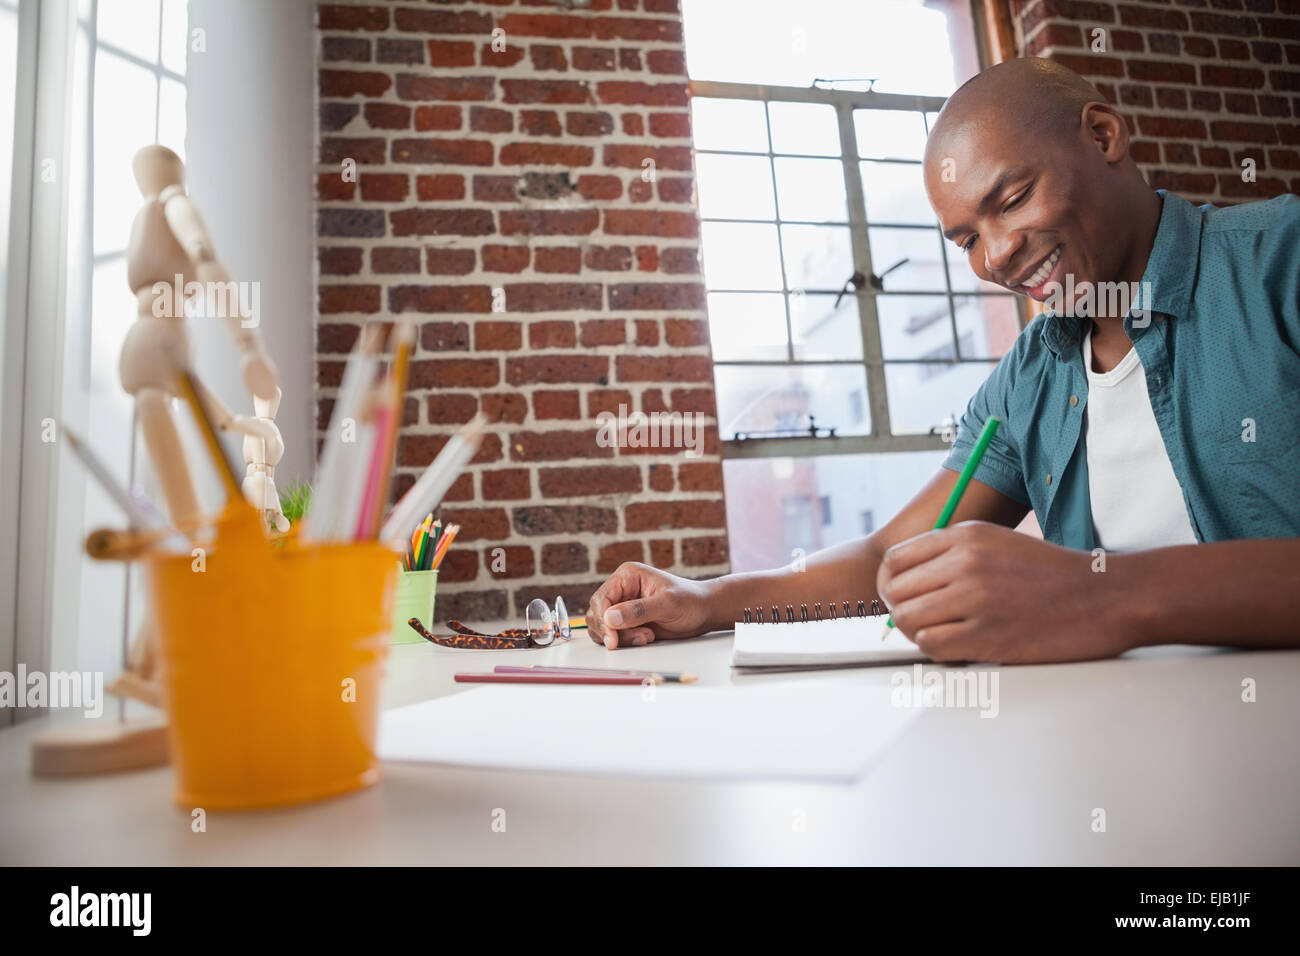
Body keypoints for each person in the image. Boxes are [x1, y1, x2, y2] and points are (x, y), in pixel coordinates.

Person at [586, 57, 1300, 663]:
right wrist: (707, 599)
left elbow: (1090, 596)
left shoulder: (1282, 261)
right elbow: (886, 560)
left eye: (1013, 199)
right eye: (965, 239)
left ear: (1104, 135)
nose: (995, 256)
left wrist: (1099, 595)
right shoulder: (1030, 377)